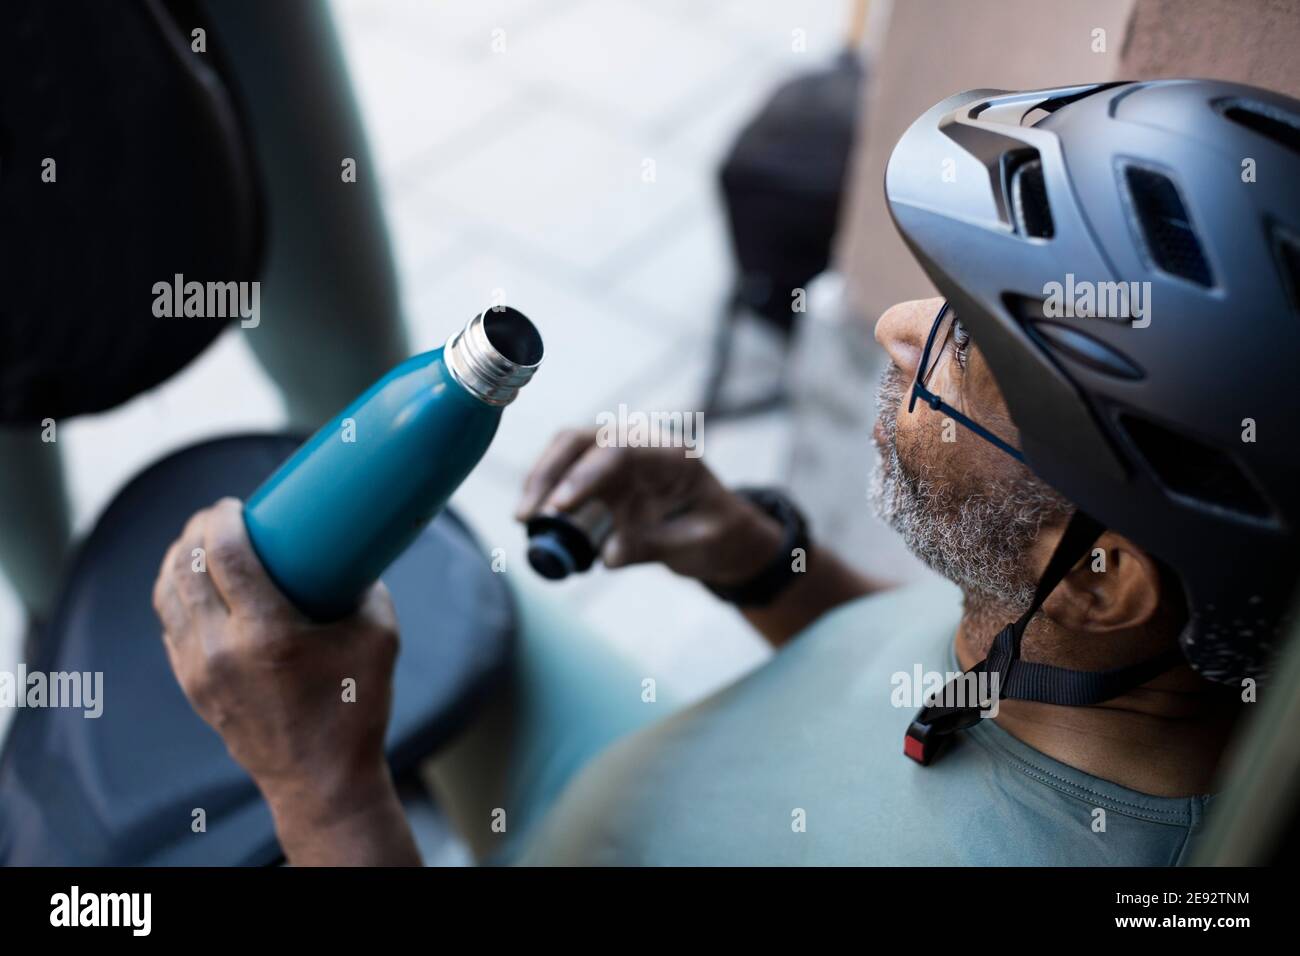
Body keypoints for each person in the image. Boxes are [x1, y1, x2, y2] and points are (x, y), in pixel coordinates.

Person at [151, 79, 1300, 865]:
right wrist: (753, 554)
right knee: (438, 565)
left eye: (967, 347)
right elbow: (917, 685)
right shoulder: (1079, 638)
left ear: (1102, 575)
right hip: (612, 777)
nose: (896, 326)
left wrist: (323, 790)